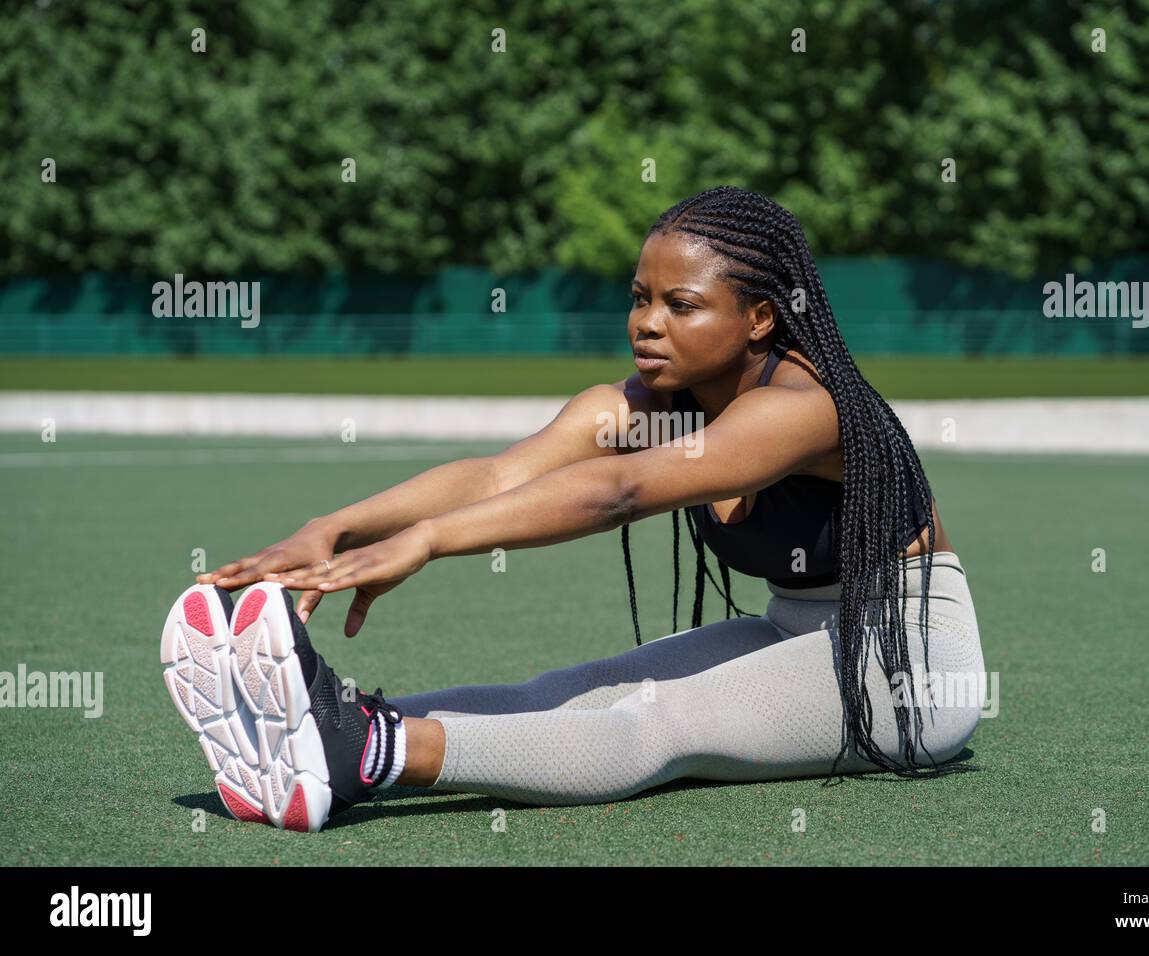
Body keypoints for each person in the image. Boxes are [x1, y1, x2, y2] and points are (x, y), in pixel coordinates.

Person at [160, 185, 986, 832]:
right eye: (639, 297)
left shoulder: (801, 406)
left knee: (663, 722)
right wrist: (338, 527)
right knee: (571, 688)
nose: (646, 323)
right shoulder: (647, 401)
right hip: (793, 625)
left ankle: (370, 752)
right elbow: (498, 476)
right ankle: (328, 725)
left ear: (761, 317)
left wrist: (424, 544)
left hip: (906, 657)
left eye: (681, 304)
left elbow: (617, 490)